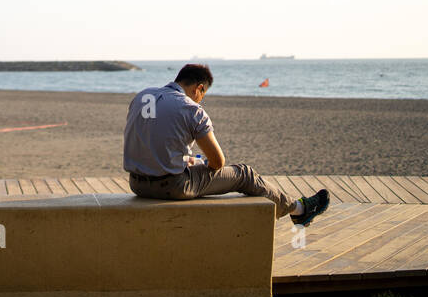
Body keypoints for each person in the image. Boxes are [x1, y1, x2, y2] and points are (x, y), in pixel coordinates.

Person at [123, 62, 329, 226]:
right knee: (245, 174)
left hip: (137, 185)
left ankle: (296, 208)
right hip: (171, 187)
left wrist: (185, 160)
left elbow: (151, 141)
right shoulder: (190, 109)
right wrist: (199, 165)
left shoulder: (142, 97)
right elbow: (217, 162)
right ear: (199, 89)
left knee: (195, 162)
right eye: (202, 95)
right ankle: (299, 210)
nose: (200, 100)